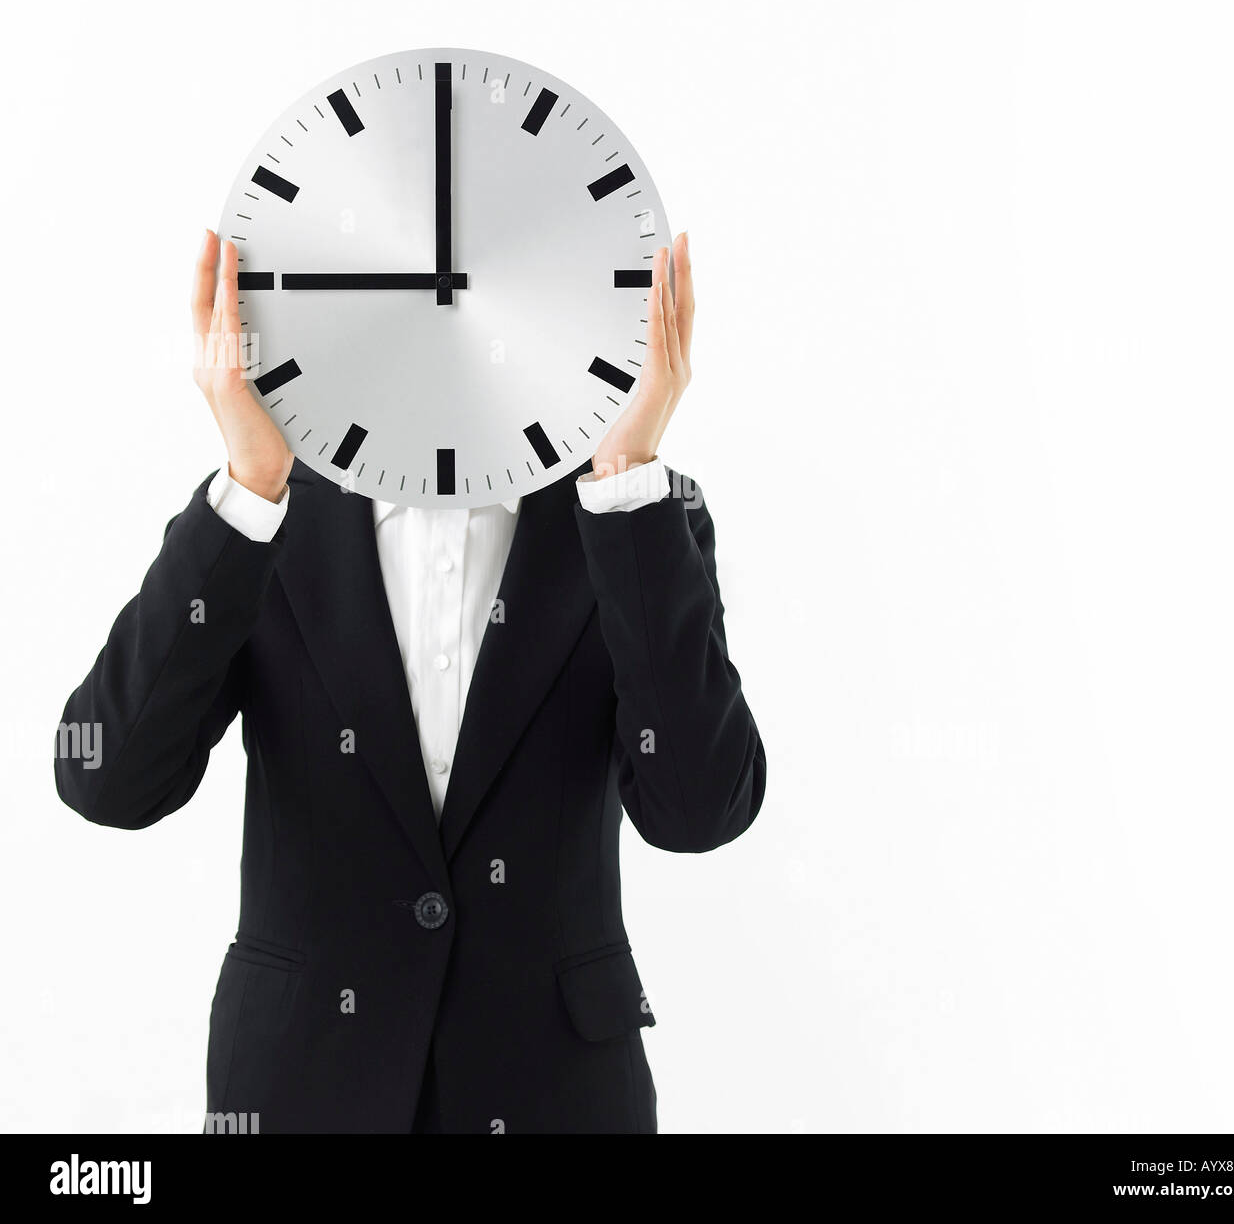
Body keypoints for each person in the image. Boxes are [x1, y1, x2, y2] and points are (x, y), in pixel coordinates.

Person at [54, 228, 765, 1134]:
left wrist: (623, 476)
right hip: (300, 1087)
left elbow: (700, 812)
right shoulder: (266, 514)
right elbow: (107, 780)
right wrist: (250, 481)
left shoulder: (621, 517)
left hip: (554, 1094)